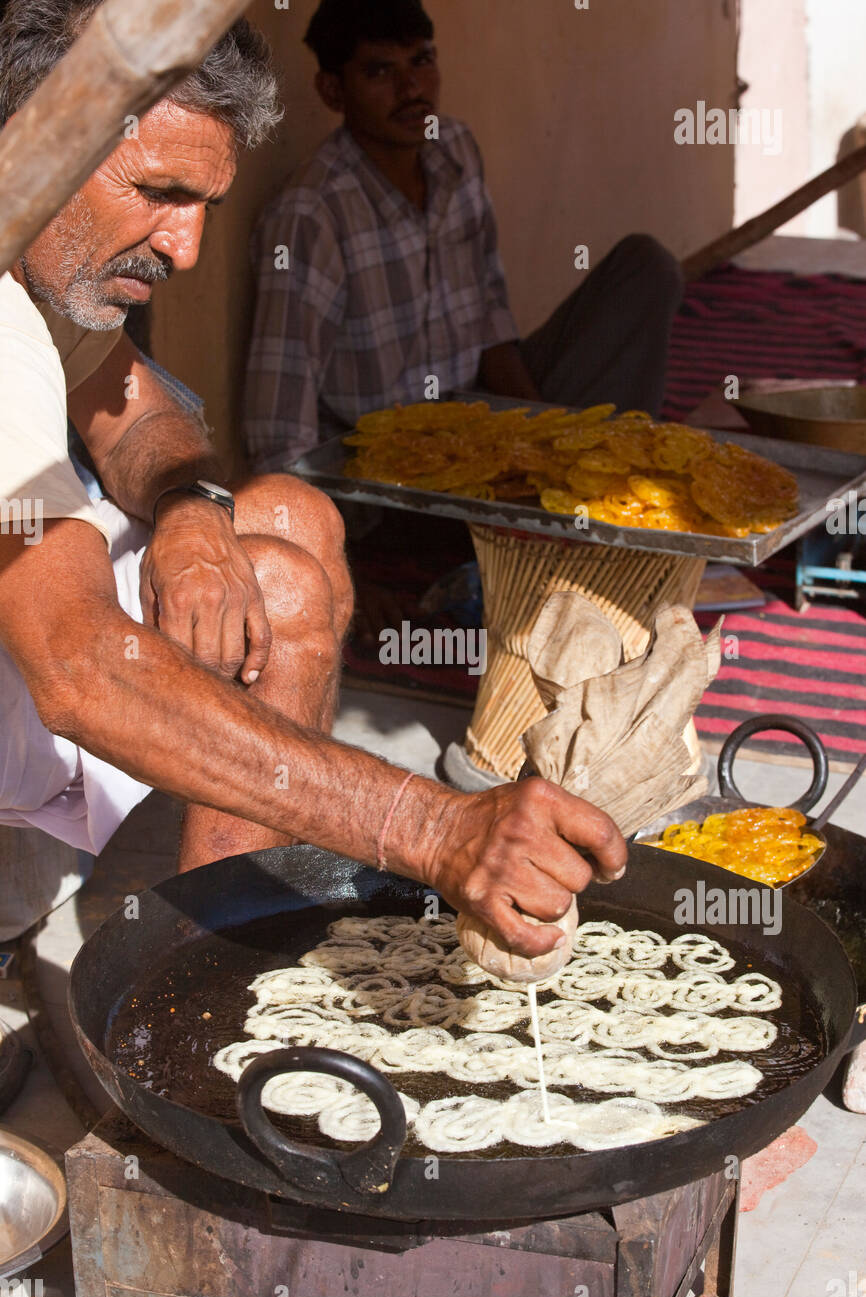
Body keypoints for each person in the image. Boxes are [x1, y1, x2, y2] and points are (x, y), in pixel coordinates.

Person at [0, 0, 626, 961]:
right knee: (284, 585)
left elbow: (136, 409)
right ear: (34, 140)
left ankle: (210, 927)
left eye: (202, 203)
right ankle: (185, 994)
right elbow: (77, 668)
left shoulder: (45, 262)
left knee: (286, 512)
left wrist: (190, 508)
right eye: (159, 190)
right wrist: (432, 828)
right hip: (48, 678)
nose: (185, 246)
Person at [243, 0, 684, 470]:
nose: (411, 88)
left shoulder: (454, 151)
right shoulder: (311, 215)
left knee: (647, 268)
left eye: (422, 61)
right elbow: (279, 426)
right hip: (389, 468)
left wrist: (544, 431)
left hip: (480, 424)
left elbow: (489, 318)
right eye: (379, 72)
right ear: (334, 91)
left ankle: (611, 482)